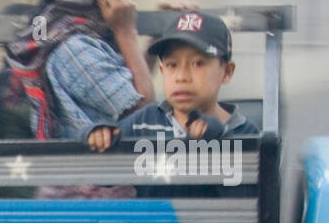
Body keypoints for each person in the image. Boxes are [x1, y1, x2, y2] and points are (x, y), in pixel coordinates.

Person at [0, 0, 164, 142]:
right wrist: (126, 31)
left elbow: (130, 87)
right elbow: (142, 110)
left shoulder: (90, 35)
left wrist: (158, 35)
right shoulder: (72, 46)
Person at [86, 12, 259, 150]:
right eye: (172, 65)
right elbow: (103, 176)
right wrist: (99, 133)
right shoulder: (144, 121)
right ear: (162, 71)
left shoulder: (245, 133)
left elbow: (246, 192)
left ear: (227, 72)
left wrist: (211, 144)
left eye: (198, 64)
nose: (181, 76)